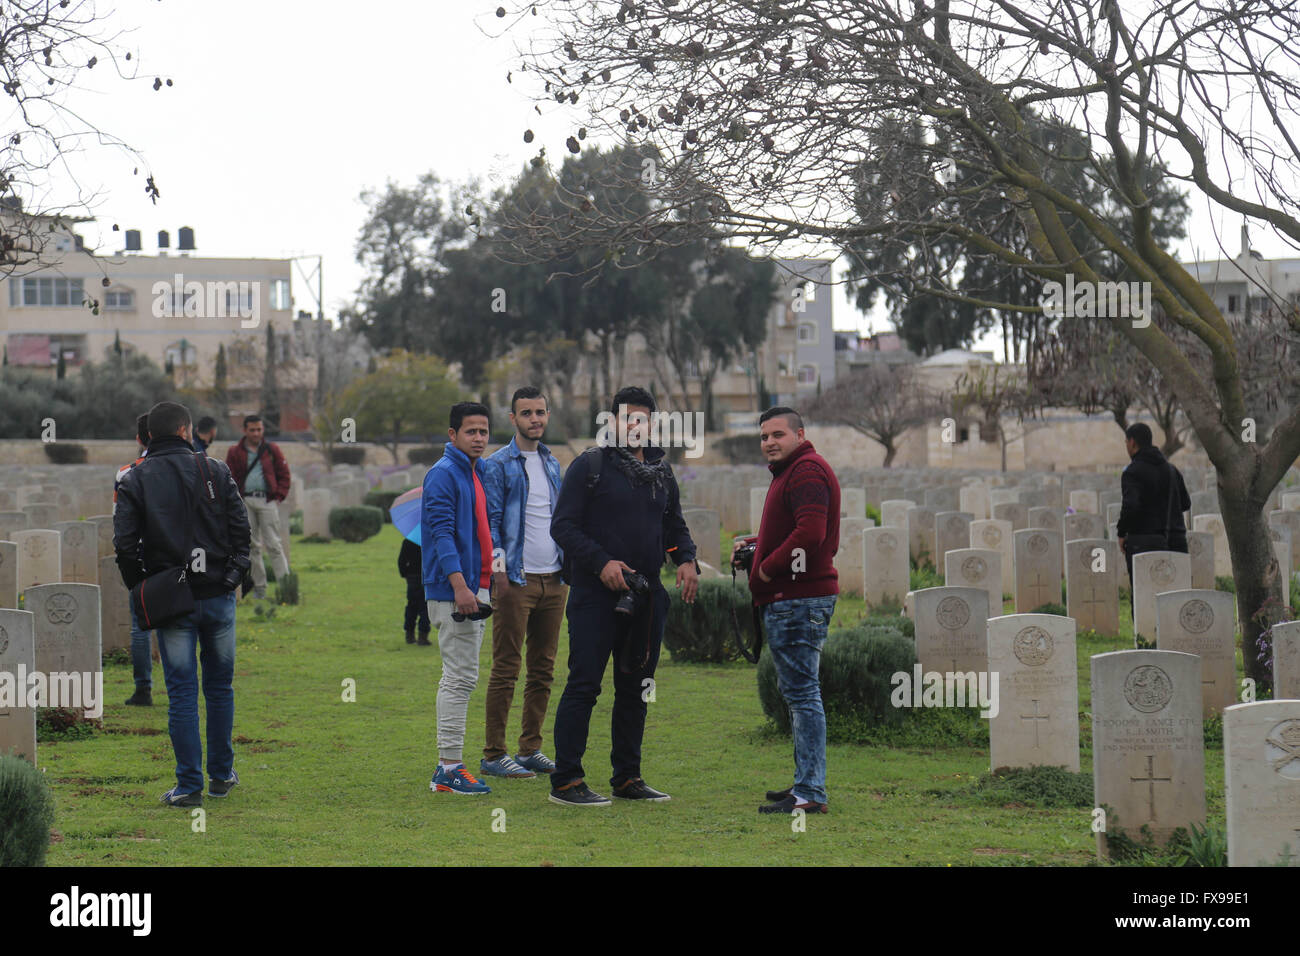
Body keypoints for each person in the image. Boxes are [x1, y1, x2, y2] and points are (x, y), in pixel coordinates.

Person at [548, 386, 699, 807]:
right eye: (626, 417)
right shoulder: (590, 466)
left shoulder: (662, 473)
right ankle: (566, 781)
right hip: (595, 597)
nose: (635, 425)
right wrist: (603, 564)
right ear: (612, 422)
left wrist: (686, 559)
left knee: (636, 688)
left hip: (647, 598)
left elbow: (674, 527)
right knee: (584, 685)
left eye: (642, 418)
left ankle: (627, 777)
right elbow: (562, 527)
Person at [113, 401, 251, 807]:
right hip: (217, 593)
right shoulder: (215, 469)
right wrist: (232, 576)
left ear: (149, 436)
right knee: (219, 687)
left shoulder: (135, 478)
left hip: (173, 598)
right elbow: (242, 532)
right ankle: (221, 775)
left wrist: (143, 587)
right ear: (187, 431)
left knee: (183, 692)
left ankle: (190, 784)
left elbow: (124, 545)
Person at [733, 406, 840, 815]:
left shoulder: (807, 471)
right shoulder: (793, 471)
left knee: (803, 695)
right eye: (763, 437)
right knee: (798, 695)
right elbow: (794, 528)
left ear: (799, 433)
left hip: (798, 598)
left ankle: (810, 792)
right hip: (792, 597)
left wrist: (764, 566)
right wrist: (756, 544)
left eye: (778, 434)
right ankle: (804, 784)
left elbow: (810, 533)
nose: (769, 443)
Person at [478, 386, 566, 780]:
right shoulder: (497, 464)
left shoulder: (552, 463)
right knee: (506, 667)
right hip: (516, 579)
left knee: (544, 669)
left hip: (555, 578)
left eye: (541, 412)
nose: (536, 419)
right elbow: (491, 523)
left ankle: (530, 748)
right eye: (527, 413)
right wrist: (498, 573)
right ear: (512, 419)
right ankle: (494, 754)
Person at [423, 402, 496, 796]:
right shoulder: (444, 474)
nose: (479, 438)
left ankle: (447, 766)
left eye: (484, 431)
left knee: (460, 675)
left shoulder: (475, 471)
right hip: (456, 590)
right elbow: (441, 532)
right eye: (471, 431)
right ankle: (448, 767)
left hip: (474, 586)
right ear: (452, 435)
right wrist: (460, 586)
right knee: (460, 677)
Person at [1117, 422, 1192, 590]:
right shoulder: (1172, 470)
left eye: (1126, 443)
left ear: (1132, 443)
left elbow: (1131, 507)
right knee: (1176, 597)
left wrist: (1122, 533)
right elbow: (1185, 503)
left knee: (1144, 597)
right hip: (1177, 540)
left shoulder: (1132, 472)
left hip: (1144, 543)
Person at [113, 413, 155, 707]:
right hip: (177, 556)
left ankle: (143, 689)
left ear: (139, 438)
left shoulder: (126, 473)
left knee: (140, 624)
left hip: (141, 556)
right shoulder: (187, 467)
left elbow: (120, 521)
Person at [224, 414, 291, 600]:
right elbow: (229, 477)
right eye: (252, 430)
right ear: (245, 430)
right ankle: (260, 587)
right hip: (245, 501)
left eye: (259, 429)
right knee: (252, 546)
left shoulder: (272, 450)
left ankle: (286, 587)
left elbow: (284, 474)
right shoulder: (235, 452)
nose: (256, 433)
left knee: (274, 544)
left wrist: (279, 496)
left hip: (267, 500)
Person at [398, 537, 431, 646]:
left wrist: (405, 573)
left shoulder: (408, 540)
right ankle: (423, 636)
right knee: (425, 607)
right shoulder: (430, 539)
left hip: (412, 577)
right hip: (427, 577)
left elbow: (401, 560)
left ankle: (409, 634)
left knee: (411, 606)